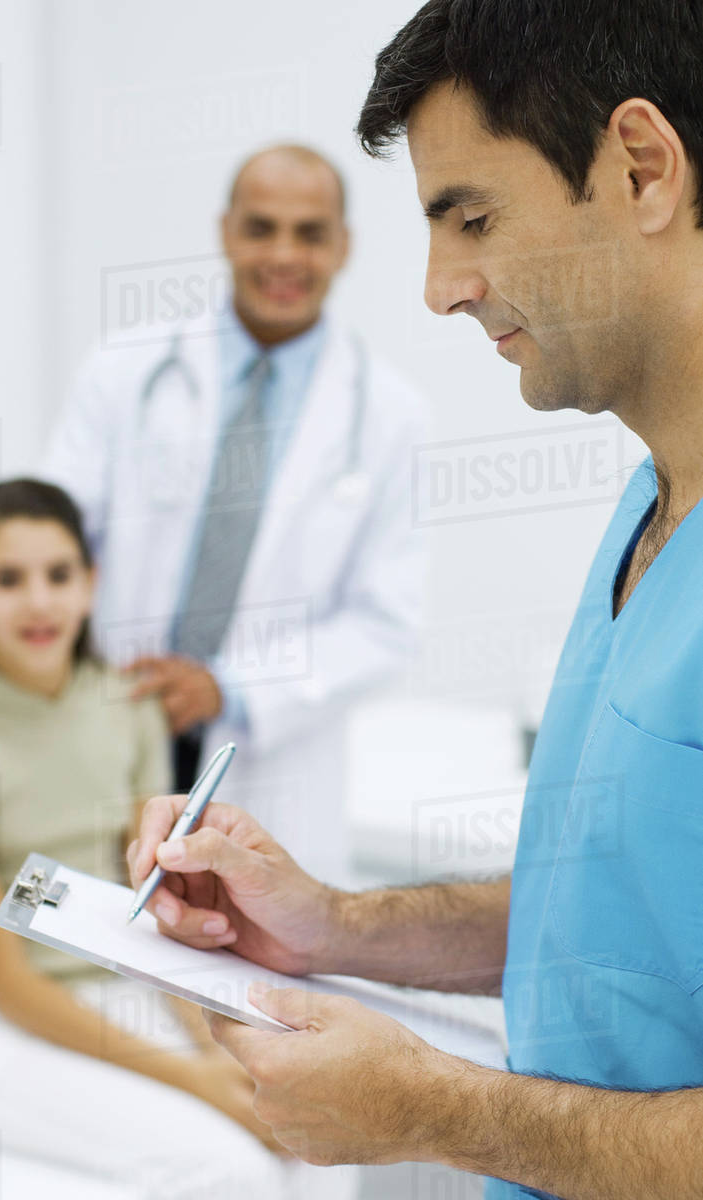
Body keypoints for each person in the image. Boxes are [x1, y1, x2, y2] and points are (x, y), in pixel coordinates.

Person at [125, 3, 703, 1197]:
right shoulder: (650, 507)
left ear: (642, 168)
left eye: (474, 218)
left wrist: (434, 1109)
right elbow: (610, 917)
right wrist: (329, 925)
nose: (443, 290)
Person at [0, 478, 354, 1199]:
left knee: (314, 1146)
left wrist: (215, 1045)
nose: (40, 600)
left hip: (114, 991)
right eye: (9, 579)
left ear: (91, 584)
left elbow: (151, 912)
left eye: (58, 574)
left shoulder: (125, 709)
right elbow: (6, 982)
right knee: (227, 1170)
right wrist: (196, 1079)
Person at [37, 142, 428, 883]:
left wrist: (230, 686)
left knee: (240, 977)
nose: (284, 254)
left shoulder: (387, 415)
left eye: (309, 233)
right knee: (95, 968)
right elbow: (39, 539)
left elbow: (383, 624)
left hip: (264, 755)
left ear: (342, 246)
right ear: (225, 232)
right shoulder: (126, 369)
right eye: (261, 228)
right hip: (108, 724)